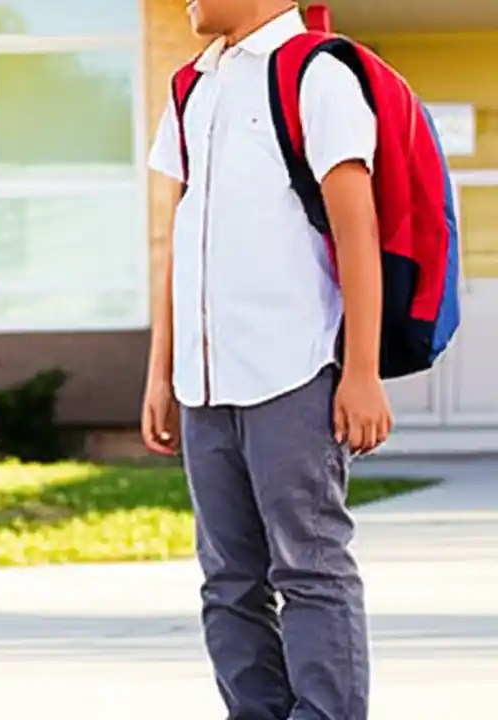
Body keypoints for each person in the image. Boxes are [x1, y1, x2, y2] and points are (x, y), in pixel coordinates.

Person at [143, 2, 391, 719]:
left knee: (310, 567)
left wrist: (363, 371)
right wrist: (161, 373)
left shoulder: (316, 74)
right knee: (227, 580)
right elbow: (180, 242)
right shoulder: (191, 87)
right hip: (204, 381)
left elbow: (356, 231)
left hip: (293, 371)